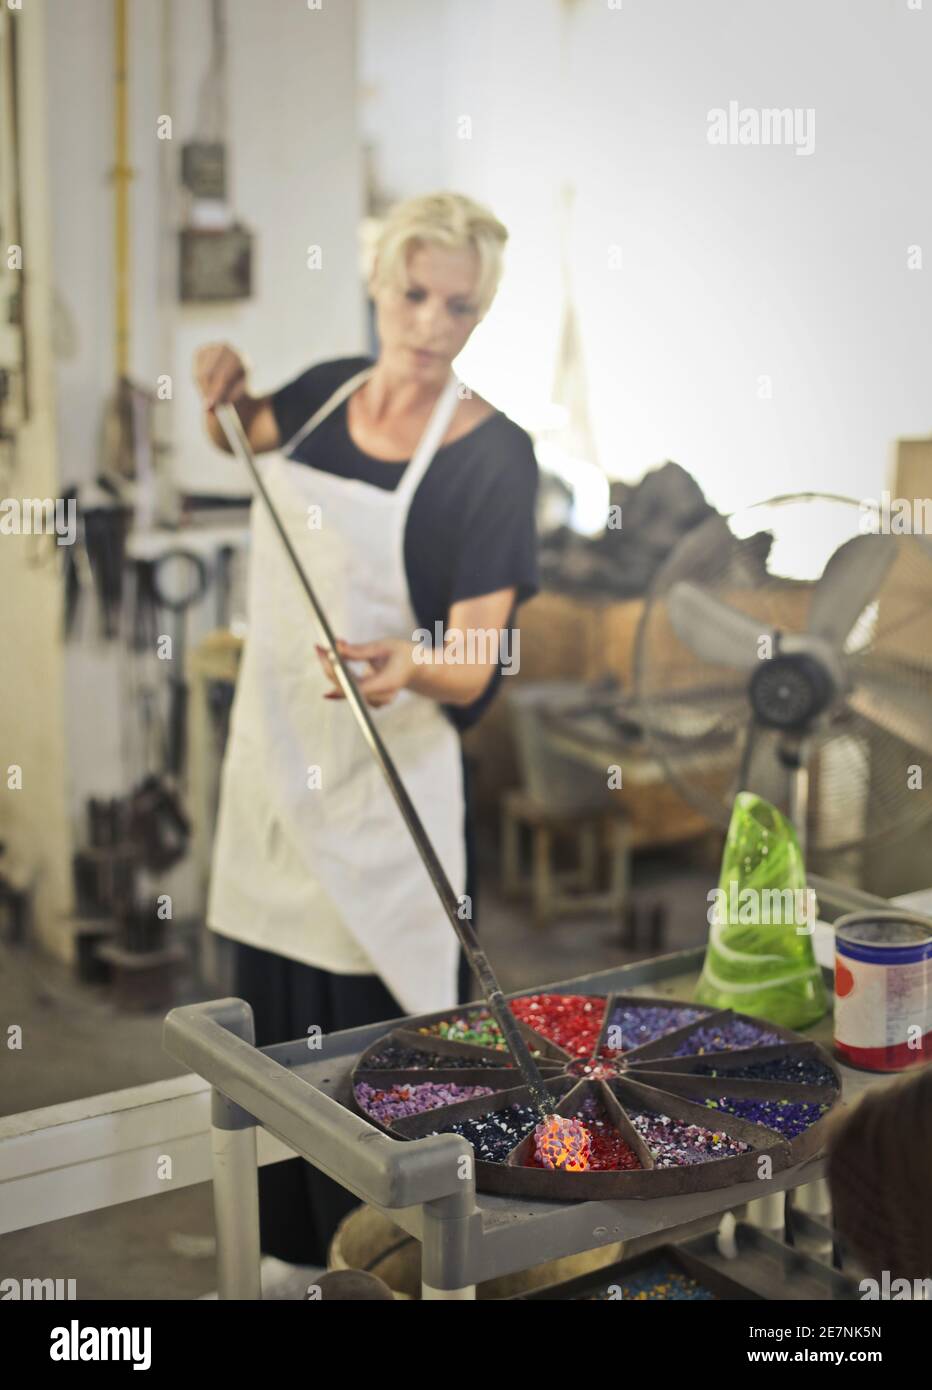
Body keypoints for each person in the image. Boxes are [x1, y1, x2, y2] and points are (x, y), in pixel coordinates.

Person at [193, 191, 539, 1267]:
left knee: (380, 1087)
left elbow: (477, 658)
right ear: (378, 282)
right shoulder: (314, 395)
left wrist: (408, 665)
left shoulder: (494, 457)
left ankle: (378, 1280)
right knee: (263, 1084)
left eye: (459, 307)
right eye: (414, 293)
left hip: (386, 823)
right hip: (271, 794)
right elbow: (235, 439)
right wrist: (220, 389)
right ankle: (276, 1279)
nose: (432, 323)